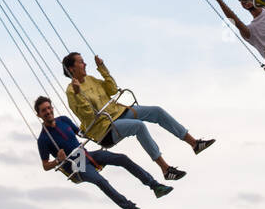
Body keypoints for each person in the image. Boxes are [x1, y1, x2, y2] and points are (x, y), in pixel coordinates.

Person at [63, 53, 213, 181]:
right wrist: (78, 93)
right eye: (81, 62)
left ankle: (194, 144)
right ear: (72, 68)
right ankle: (166, 169)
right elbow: (88, 117)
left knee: (157, 111)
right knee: (139, 126)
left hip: (118, 112)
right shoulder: (71, 92)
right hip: (104, 129)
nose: (85, 64)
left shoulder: (91, 79)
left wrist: (103, 69)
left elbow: (113, 90)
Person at [35, 96, 172, 209]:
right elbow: (45, 165)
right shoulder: (44, 138)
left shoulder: (63, 120)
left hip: (85, 153)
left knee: (122, 159)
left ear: (52, 108)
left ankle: (154, 186)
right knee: (100, 181)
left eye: (48, 108)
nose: (47, 112)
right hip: (75, 164)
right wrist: (58, 161)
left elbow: (81, 132)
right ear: (39, 115)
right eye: (43, 111)